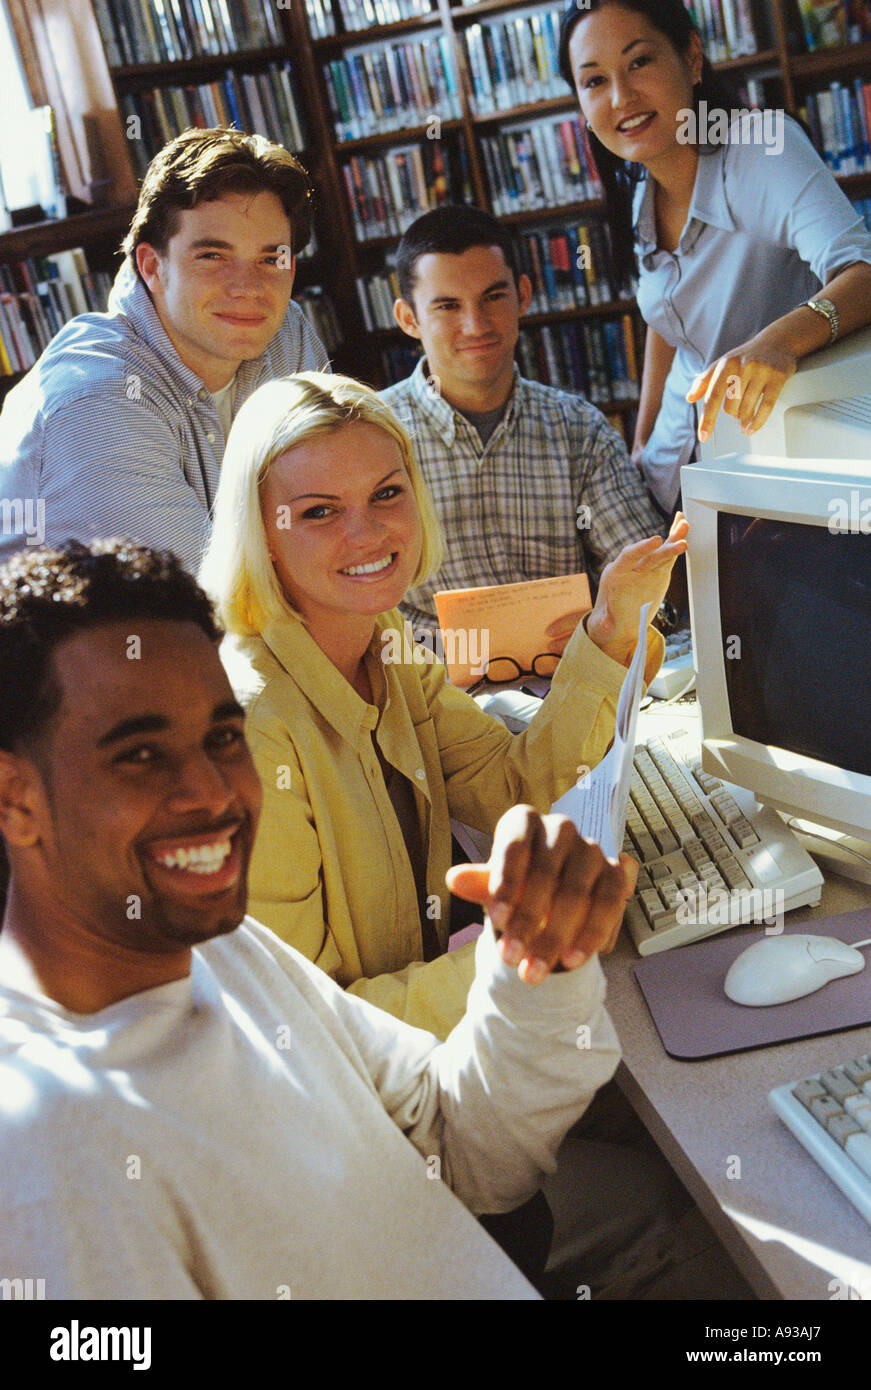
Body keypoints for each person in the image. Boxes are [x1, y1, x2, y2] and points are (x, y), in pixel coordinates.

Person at [0, 537, 633, 1300]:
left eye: (223, 738)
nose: (213, 792)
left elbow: (455, 1146)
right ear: (15, 798)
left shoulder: (229, 952)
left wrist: (533, 966)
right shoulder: (44, 1146)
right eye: (139, 755)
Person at [200, 370, 686, 1039]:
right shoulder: (252, 729)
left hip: (428, 1048)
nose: (367, 534)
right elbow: (308, 1030)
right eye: (318, 511)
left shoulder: (383, 640)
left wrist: (608, 631)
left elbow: (519, 788)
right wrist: (527, 950)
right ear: (261, 532)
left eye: (386, 494)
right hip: (360, 1108)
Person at [558, 0, 871, 513]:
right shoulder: (641, 192)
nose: (621, 96)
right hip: (668, 474)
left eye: (639, 62)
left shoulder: (760, 148)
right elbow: (667, 319)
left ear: (692, 56)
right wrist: (642, 436)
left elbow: (863, 271)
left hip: (769, 471)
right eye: (594, 81)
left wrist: (778, 341)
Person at [0, 128, 329, 572]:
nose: (249, 288)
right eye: (213, 256)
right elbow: (210, 601)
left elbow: (336, 511)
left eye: (271, 259)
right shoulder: (97, 403)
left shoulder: (284, 333)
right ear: (153, 266)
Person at [379, 204, 666, 638]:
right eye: (448, 306)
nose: (475, 325)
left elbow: (644, 580)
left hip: (572, 677)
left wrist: (609, 626)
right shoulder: (371, 438)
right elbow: (356, 609)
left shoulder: (580, 431)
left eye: (493, 297)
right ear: (408, 319)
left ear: (524, 295)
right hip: (427, 693)